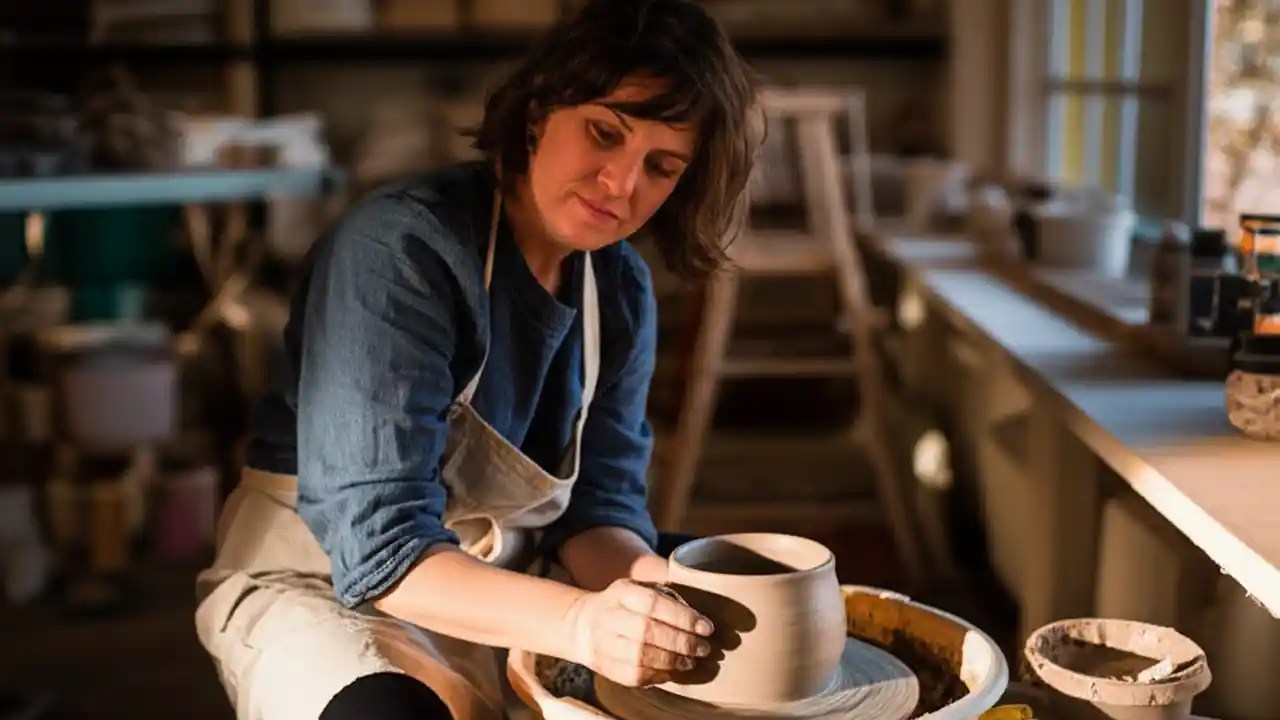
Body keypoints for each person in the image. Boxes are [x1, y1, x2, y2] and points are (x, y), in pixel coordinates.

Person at [193, 1, 762, 718]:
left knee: (734, 616)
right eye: (603, 133)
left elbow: (598, 508)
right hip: (331, 580)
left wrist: (650, 596)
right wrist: (583, 624)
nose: (621, 184)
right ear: (538, 113)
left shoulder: (618, 286)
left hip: (511, 569)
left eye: (661, 166)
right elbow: (382, 549)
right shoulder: (403, 251)